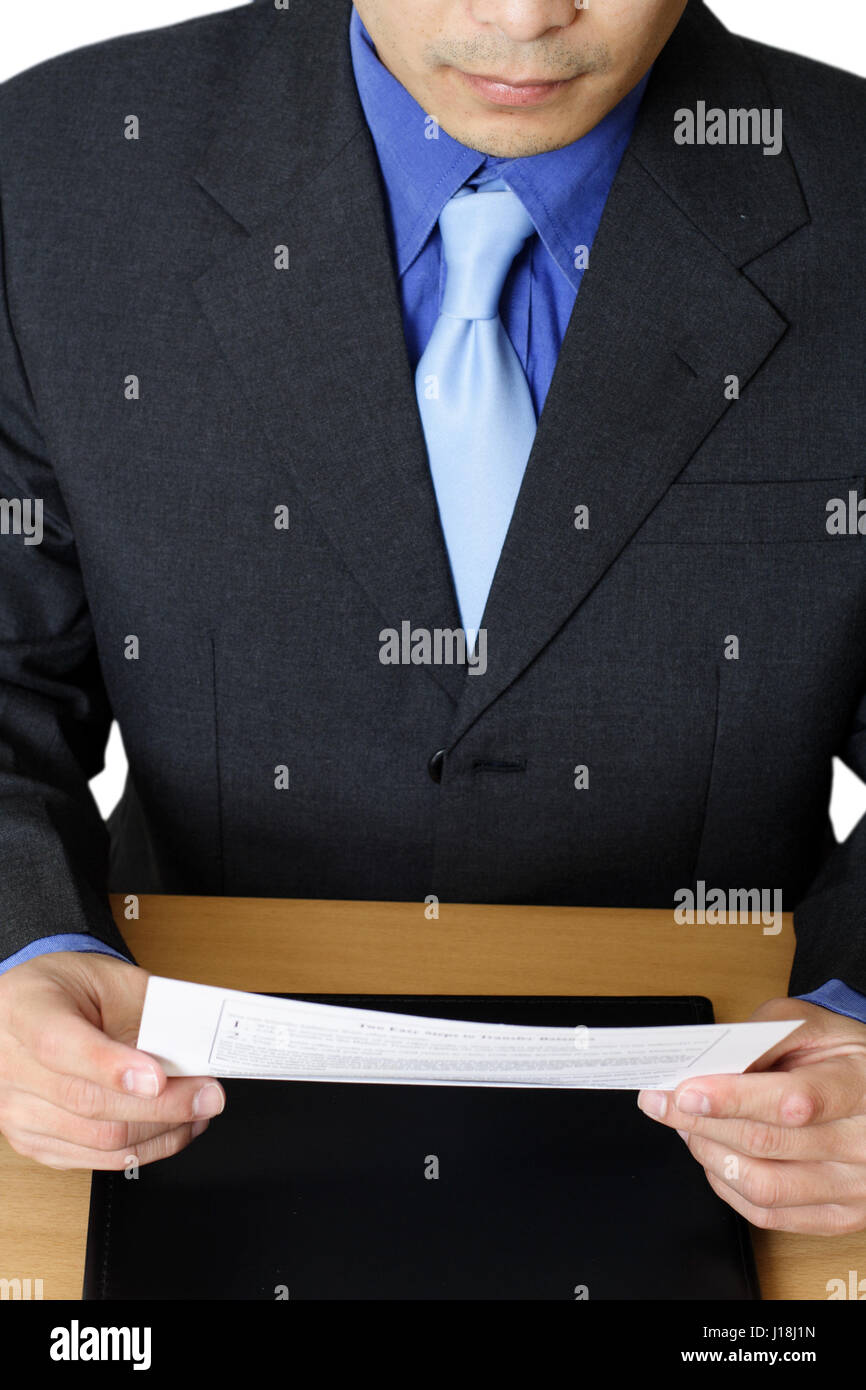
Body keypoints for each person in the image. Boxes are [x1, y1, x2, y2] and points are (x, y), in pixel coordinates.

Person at [0, 0, 864, 1237]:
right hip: (165, 1059)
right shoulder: (53, 168)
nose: (520, 17)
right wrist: (17, 957)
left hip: (748, 1103)